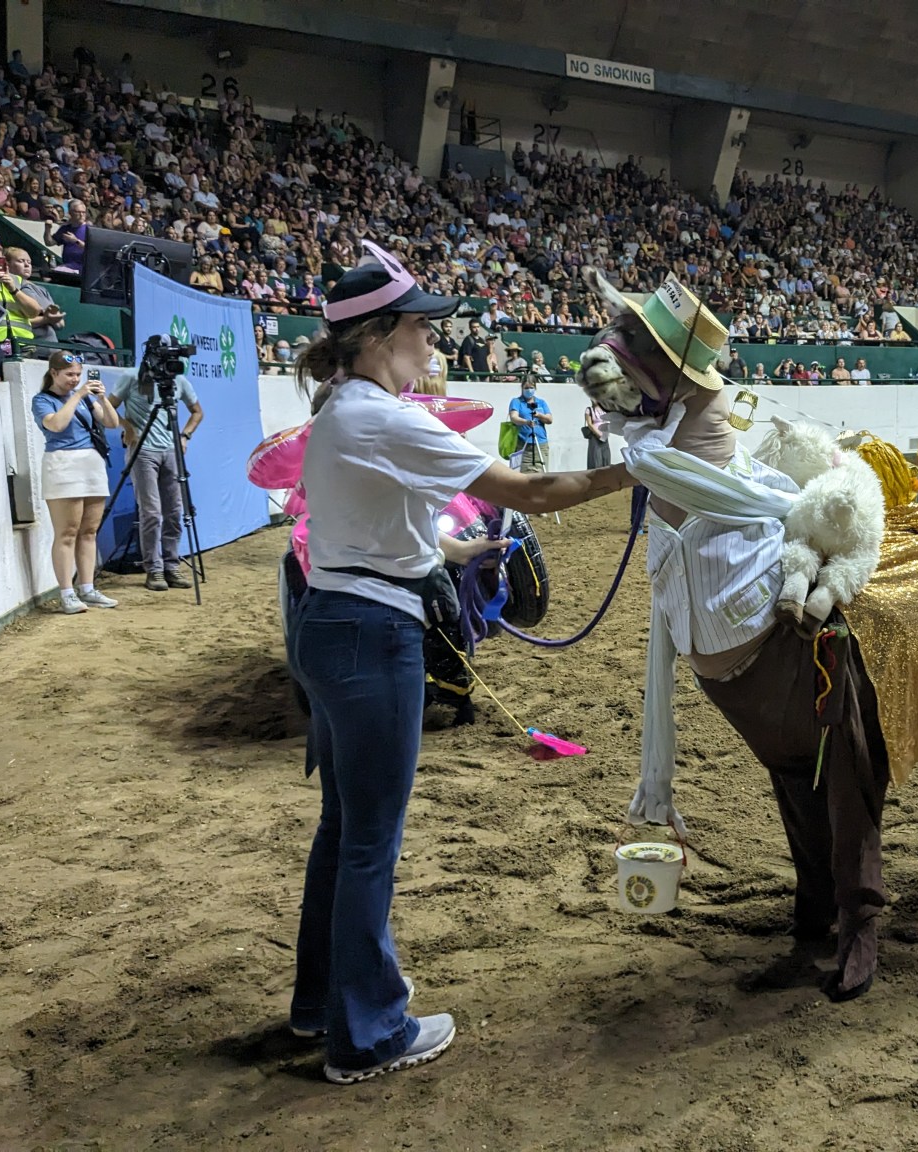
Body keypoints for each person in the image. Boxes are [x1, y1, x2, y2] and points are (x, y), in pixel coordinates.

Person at [286, 241, 635, 1084]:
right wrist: (637, 470)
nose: (433, 342)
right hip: (374, 633)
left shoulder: (342, 409)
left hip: (332, 620)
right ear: (380, 335)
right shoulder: (387, 418)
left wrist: (454, 551)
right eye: (421, 327)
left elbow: (372, 524)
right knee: (372, 841)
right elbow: (532, 492)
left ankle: (321, 1001)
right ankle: (366, 1034)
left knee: (344, 828)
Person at [30, 351, 121, 613]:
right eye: (69, 374)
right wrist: (78, 395)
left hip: (91, 465)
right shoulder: (42, 400)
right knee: (67, 532)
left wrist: (101, 398)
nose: (75, 379)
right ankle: (67, 593)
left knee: (89, 531)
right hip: (63, 466)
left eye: (78, 375)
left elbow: (112, 422)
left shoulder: (85, 398)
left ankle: (87, 588)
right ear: (54, 373)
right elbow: (57, 425)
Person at [108, 360, 203, 590]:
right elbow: (107, 407)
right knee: (151, 512)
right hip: (142, 451)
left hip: (171, 452)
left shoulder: (178, 381)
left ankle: (172, 566)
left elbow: (197, 412)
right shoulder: (131, 377)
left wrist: (185, 436)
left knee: (174, 511)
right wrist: (127, 426)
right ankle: (154, 569)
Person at [509, 380, 551, 474]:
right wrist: (526, 422)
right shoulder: (517, 401)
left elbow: (549, 420)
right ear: (522, 388)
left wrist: (539, 415)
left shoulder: (541, 402)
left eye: (531, 387)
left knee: (542, 474)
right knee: (523, 474)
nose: (529, 390)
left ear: (535, 388)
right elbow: (514, 417)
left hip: (541, 443)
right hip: (524, 444)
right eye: (526, 388)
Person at [583, 401, 610, 468]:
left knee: (605, 456)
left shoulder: (604, 409)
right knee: (595, 457)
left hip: (605, 436)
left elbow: (607, 421)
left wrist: (605, 434)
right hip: (594, 436)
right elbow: (589, 424)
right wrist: (598, 434)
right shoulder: (589, 409)